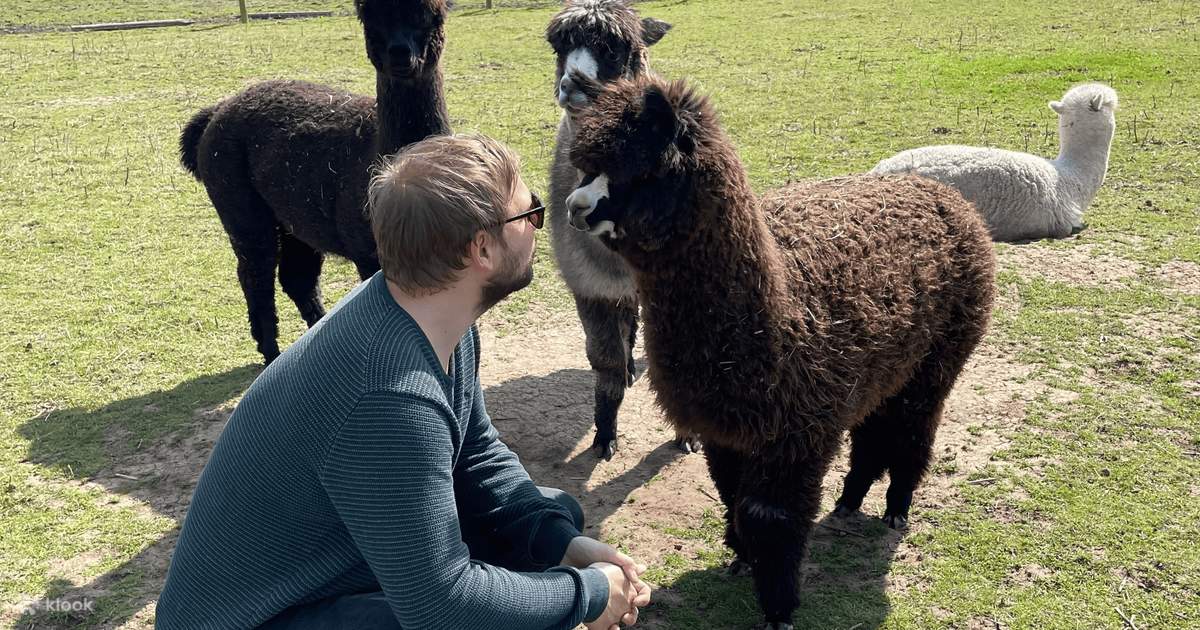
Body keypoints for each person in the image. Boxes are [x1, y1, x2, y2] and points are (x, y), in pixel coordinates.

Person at [156, 133, 651, 630]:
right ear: (481, 248)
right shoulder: (389, 393)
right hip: (255, 619)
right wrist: (585, 595)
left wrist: (559, 543)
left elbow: (476, 455)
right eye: (530, 215)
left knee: (548, 518)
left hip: (319, 578)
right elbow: (441, 605)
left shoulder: (425, 310)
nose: (538, 227)